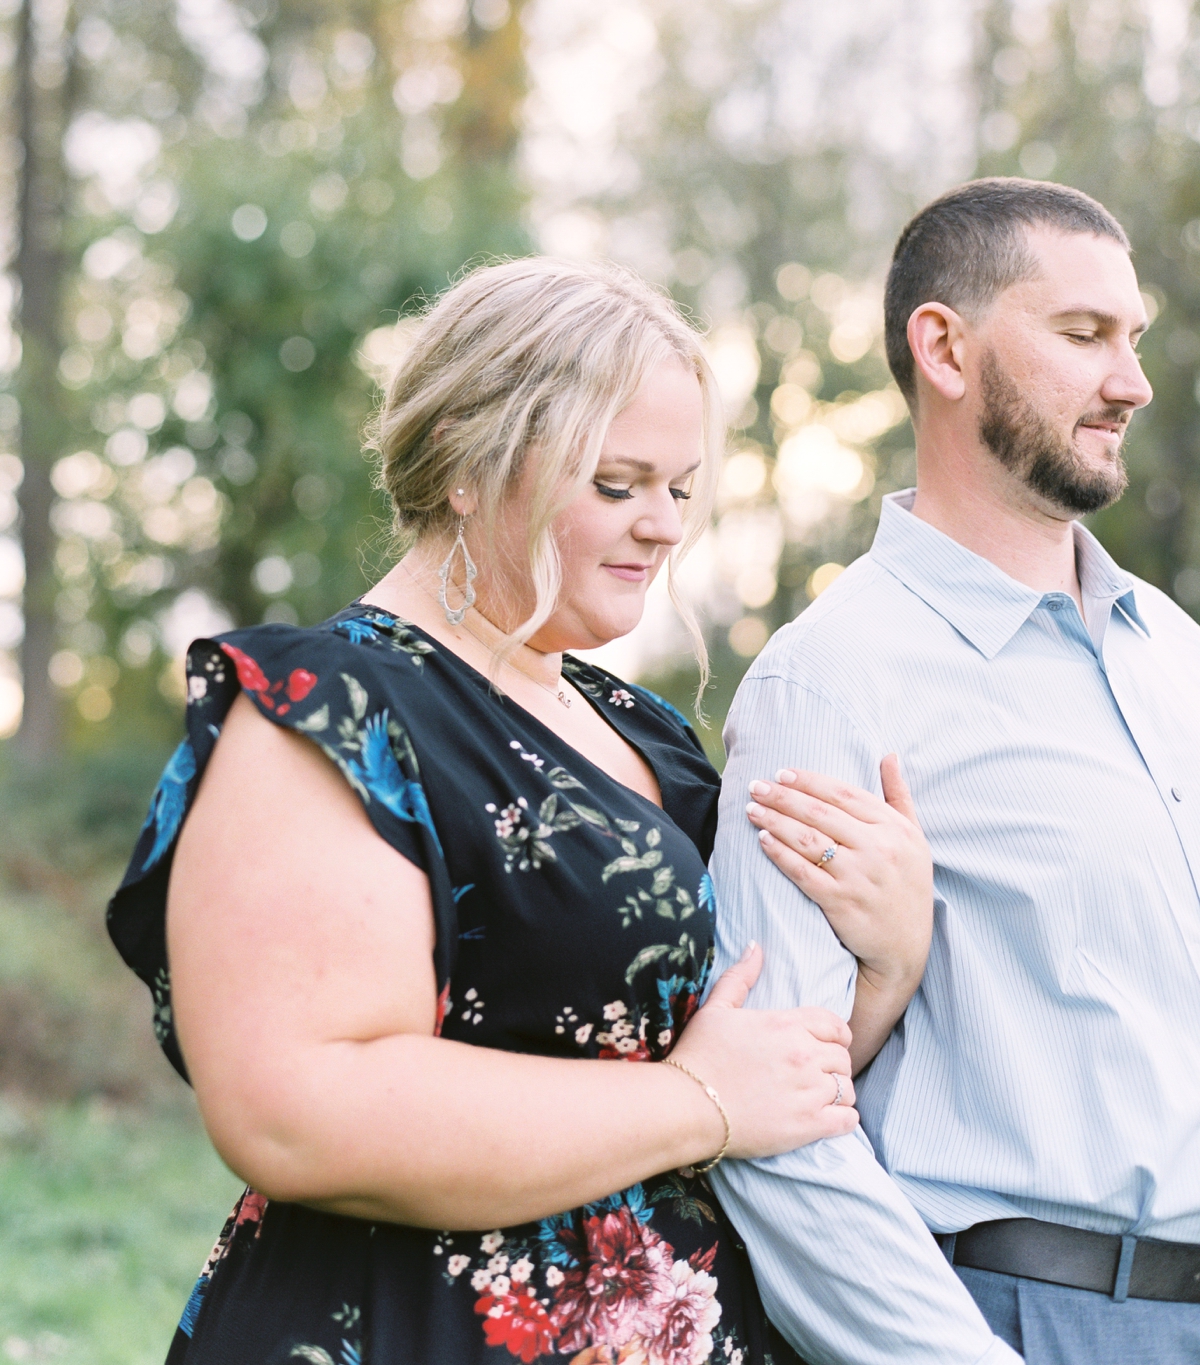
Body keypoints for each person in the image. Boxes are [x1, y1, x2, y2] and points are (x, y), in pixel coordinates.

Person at [108, 257, 948, 1365]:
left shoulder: (642, 730)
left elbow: (766, 1078)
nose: (663, 525)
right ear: (470, 463)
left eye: (680, 488)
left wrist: (889, 958)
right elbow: (296, 1110)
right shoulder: (334, 712)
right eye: (617, 483)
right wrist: (696, 1101)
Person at [711, 176, 1200, 1365]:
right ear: (944, 347)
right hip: (1029, 1321)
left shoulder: (1179, 653)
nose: (1131, 382)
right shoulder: (829, 682)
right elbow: (779, 1125)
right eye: (1083, 334)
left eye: (1133, 338)